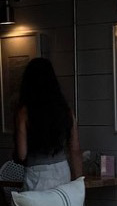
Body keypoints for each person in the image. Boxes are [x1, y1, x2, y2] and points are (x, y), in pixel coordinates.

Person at [13, 57, 82, 191]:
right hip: (63, 171)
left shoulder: (25, 112)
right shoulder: (66, 110)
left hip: (37, 174)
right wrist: (79, 184)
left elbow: (22, 154)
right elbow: (75, 149)